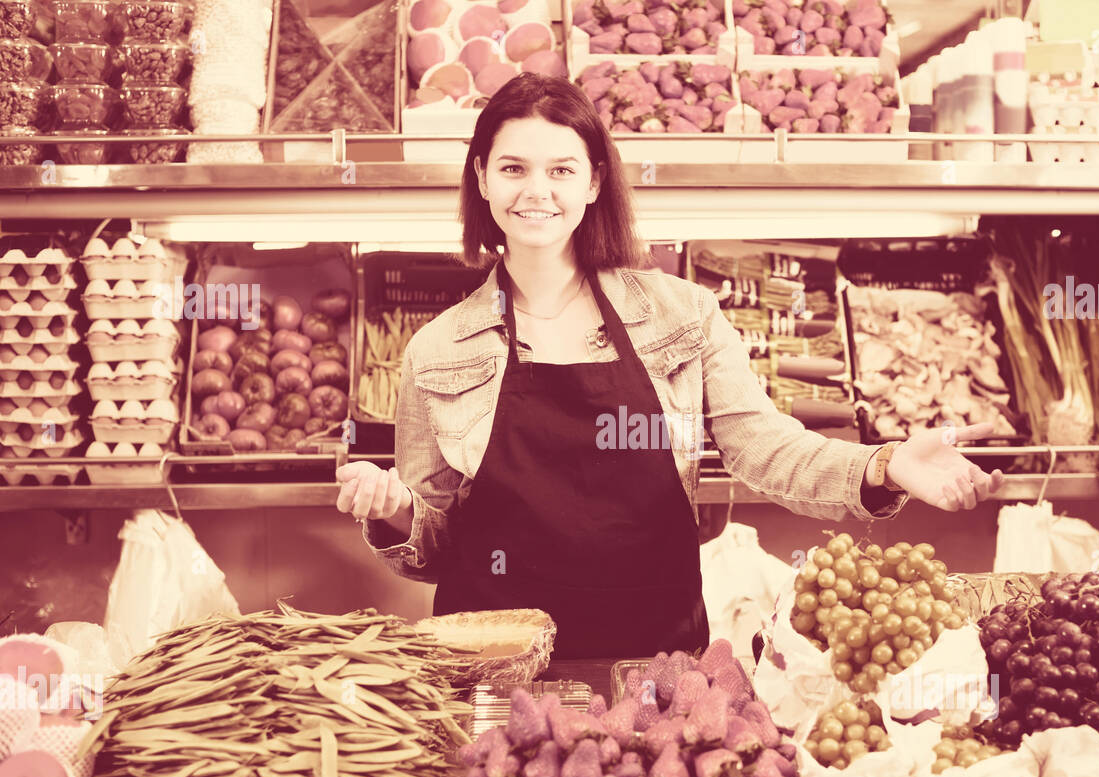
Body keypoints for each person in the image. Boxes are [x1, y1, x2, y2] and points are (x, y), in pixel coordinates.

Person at [337, 73, 1004, 658]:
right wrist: (394, 511)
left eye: (561, 170)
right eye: (513, 169)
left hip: (653, 662)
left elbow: (766, 449)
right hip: (493, 664)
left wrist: (883, 464)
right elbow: (435, 547)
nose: (535, 190)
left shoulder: (682, 317)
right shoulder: (438, 349)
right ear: (481, 177)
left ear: (594, 181)